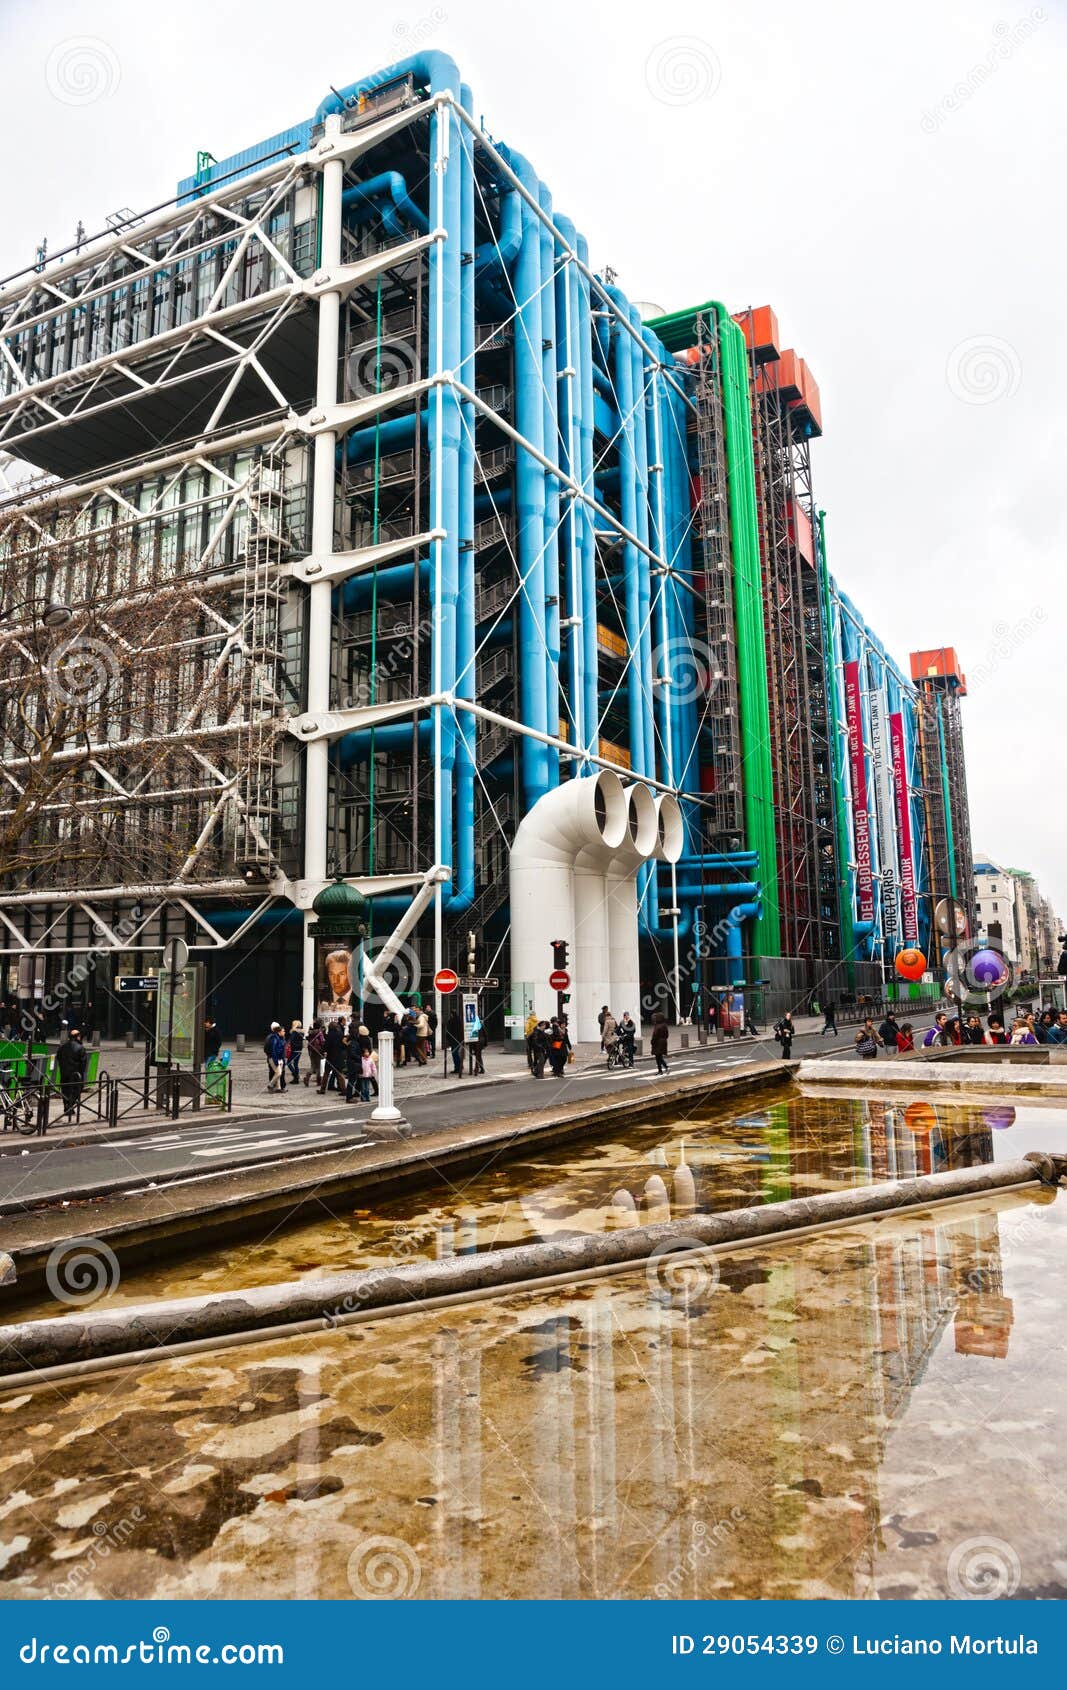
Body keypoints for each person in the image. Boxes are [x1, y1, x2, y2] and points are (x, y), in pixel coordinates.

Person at [56, 1027, 88, 1120]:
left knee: (65, 1090)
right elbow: (83, 1063)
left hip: (64, 1072)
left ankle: (67, 1106)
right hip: (75, 1073)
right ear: (77, 1037)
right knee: (77, 1089)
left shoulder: (62, 1047)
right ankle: (69, 1106)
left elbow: (59, 1058)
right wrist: (81, 1073)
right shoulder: (80, 1048)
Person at [321, 1019, 345, 1093]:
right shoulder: (340, 1034)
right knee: (339, 1074)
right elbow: (343, 1045)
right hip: (338, 1056)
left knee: (326, 1073)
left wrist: (323, 1051)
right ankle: (344, 1089)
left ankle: (322, 1089)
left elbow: (326, 1046)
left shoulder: (329, 1036)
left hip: (330, 1057)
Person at [264, 1021, 287, 1091]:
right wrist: (276, 1060)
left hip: (279, 1058)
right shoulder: (274, 1038)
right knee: (279, 1073)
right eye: (283, 1031)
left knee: (278, 1073)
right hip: (275, 1058)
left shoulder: (279, 1038)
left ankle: (278, 1088)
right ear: (279, 1031)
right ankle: (270, 1085)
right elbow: (273, 1050)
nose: (284, 1032)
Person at [306, 1020, 326, 1086]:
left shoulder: (310, 1032)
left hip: (311, 1050)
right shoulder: (320, 1033)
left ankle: (307, 1077)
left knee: (313, 1065)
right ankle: (318, 1081)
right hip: (318, 1050)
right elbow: (322, 1041)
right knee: (318, 1066)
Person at [445, 1011, 464, 1075]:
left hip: (454, 1040)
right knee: (456, 1053)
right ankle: (459, 1066)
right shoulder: (458, 1020)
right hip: (458, 1040)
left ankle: (458, 1067)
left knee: (455, 1054)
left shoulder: (452, 1021)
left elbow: (449, 1031)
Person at [286, 1019, 304, 1084]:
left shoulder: (294, 1032)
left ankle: (296, 1076)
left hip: (294, 1050)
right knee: (296, 1064)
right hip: (299, 1050)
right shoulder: (302, 1032)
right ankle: (296, 1078)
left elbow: (292, 1040)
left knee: (288, 1063)